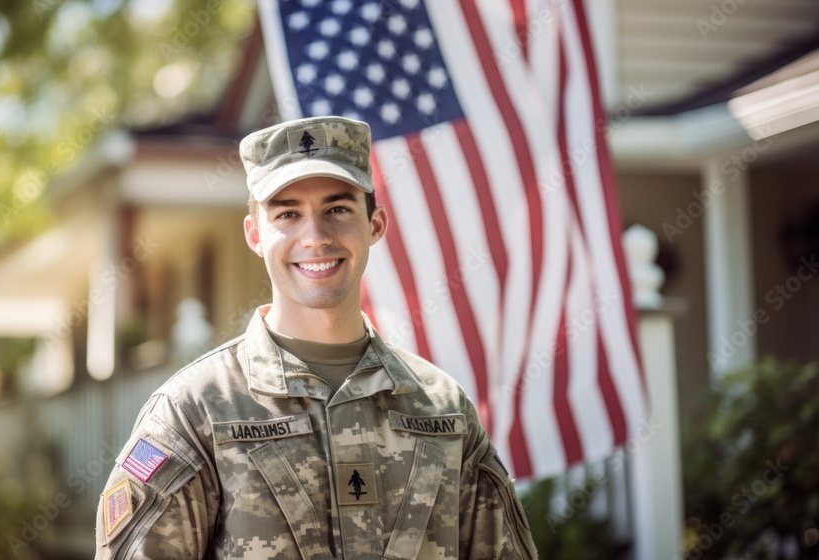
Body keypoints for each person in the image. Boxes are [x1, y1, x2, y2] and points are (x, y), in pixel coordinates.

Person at [94, 115, 538, 559]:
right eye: (288, 213)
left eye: (338, 210)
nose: (316, 237)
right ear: (255, 235)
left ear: (375, 225)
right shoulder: (195, 412)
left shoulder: (443, 407)